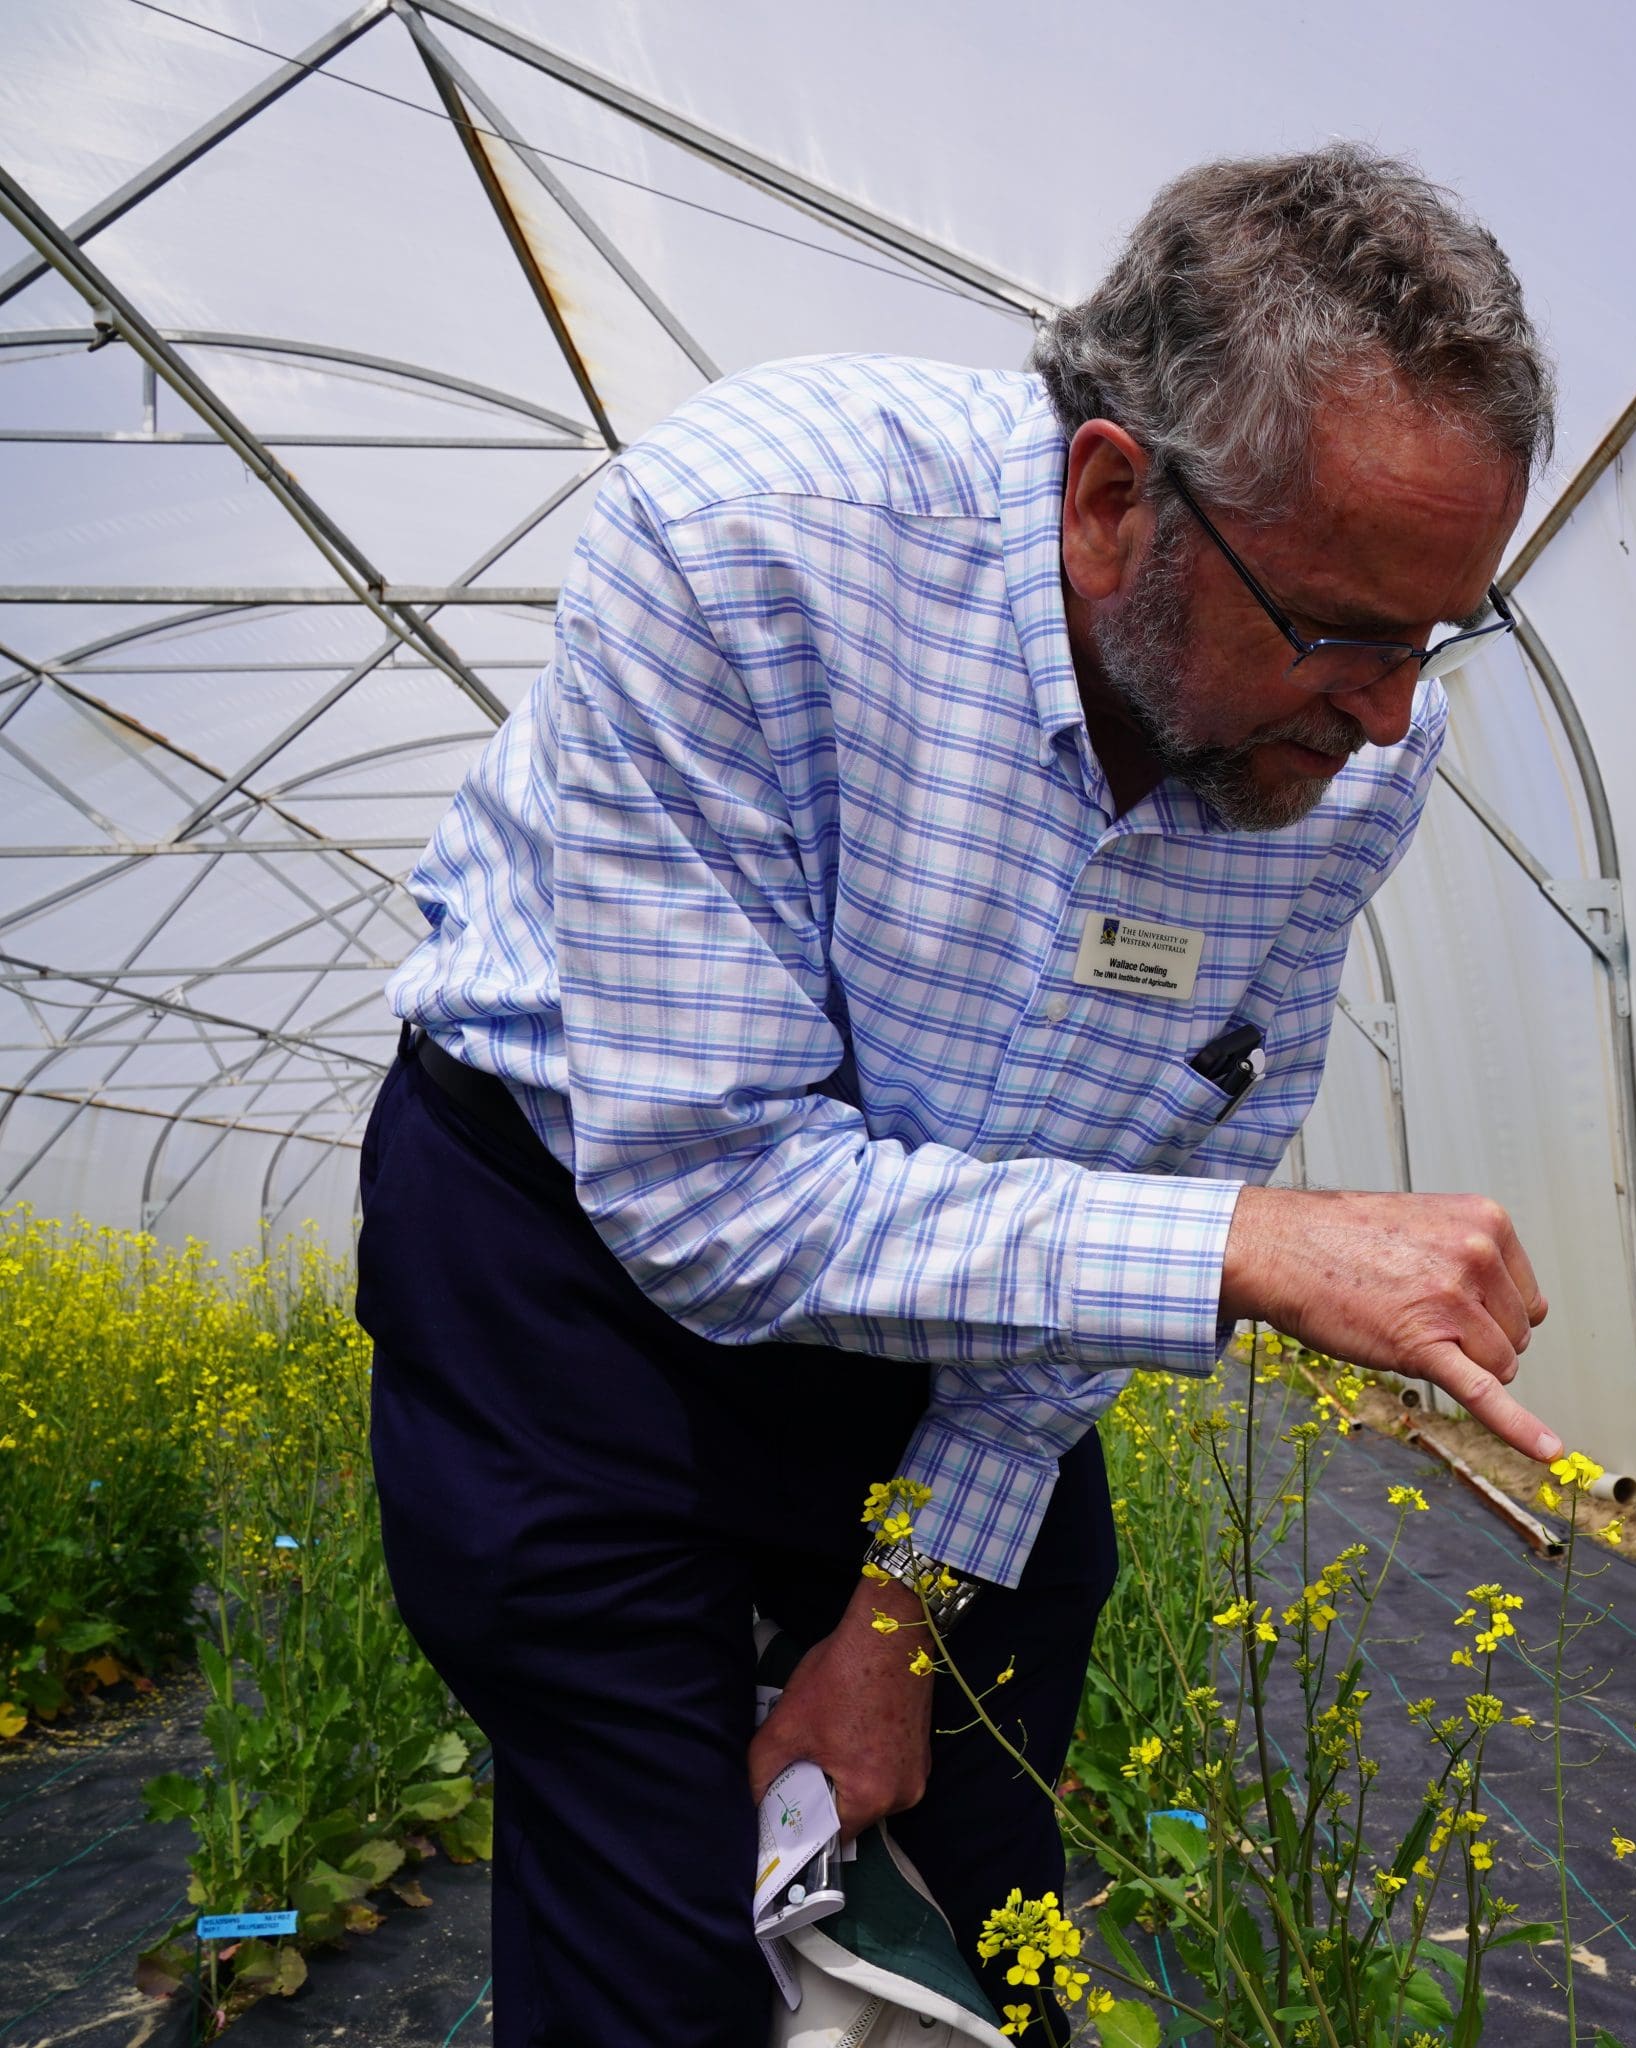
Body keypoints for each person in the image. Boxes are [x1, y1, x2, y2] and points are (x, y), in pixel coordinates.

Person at [357, 144, 1560, 2044]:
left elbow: (1155, 1157)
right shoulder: (751, 543)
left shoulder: (1347, 762)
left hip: (970, 1301)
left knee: (970, 1906)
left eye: (1434, 638)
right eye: (1341, 628)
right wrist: (1237, 1248)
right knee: (658, 1932)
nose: (1391, 714)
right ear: (1110, 498)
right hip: (568, 1257)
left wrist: (893, 1623)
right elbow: (714, 1198)